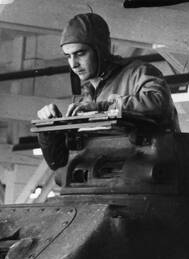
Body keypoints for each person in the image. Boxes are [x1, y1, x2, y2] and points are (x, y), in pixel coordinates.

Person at [36, 13, 179, 171]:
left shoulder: (138, 73)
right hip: (105, 182)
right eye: (68, 56)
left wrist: (103, 107)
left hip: (149, 177)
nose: (73, 64)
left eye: (80, 53)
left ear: (100, 50)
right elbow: (58, 162)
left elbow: (159, 103)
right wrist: (48, 129)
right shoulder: (85, 97)